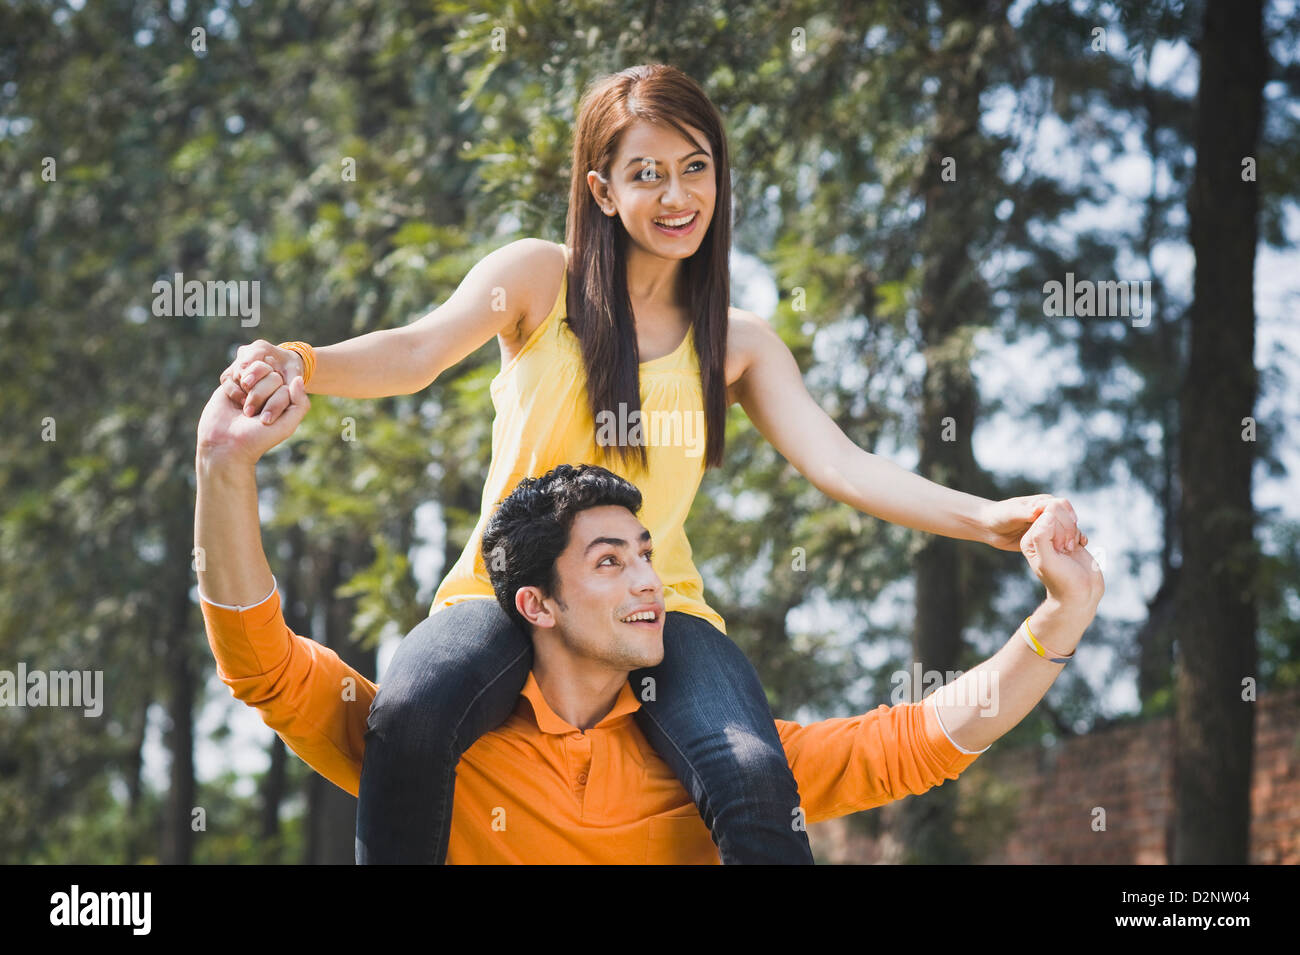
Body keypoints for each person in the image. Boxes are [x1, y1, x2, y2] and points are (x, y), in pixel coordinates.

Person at [215, 63, 1087, 864]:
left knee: (751, 769)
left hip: (654, 609)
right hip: (498, 595)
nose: (678, 195)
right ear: (600, 188)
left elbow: (845, 466)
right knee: (407, 716)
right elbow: (416, 351)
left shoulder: (736, 344)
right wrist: (304, 361)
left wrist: (991, 518)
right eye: (647, 173)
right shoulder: (535, 281)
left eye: (696, 167)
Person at [195, 379, 1104, 864]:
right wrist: (225, 466)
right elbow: (262, 664)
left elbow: (917, 741)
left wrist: (1065, 614)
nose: (649, 579)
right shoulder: (435, 747)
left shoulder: (711, 751)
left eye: (645, 553)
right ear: (535, 605)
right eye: (610, 560)